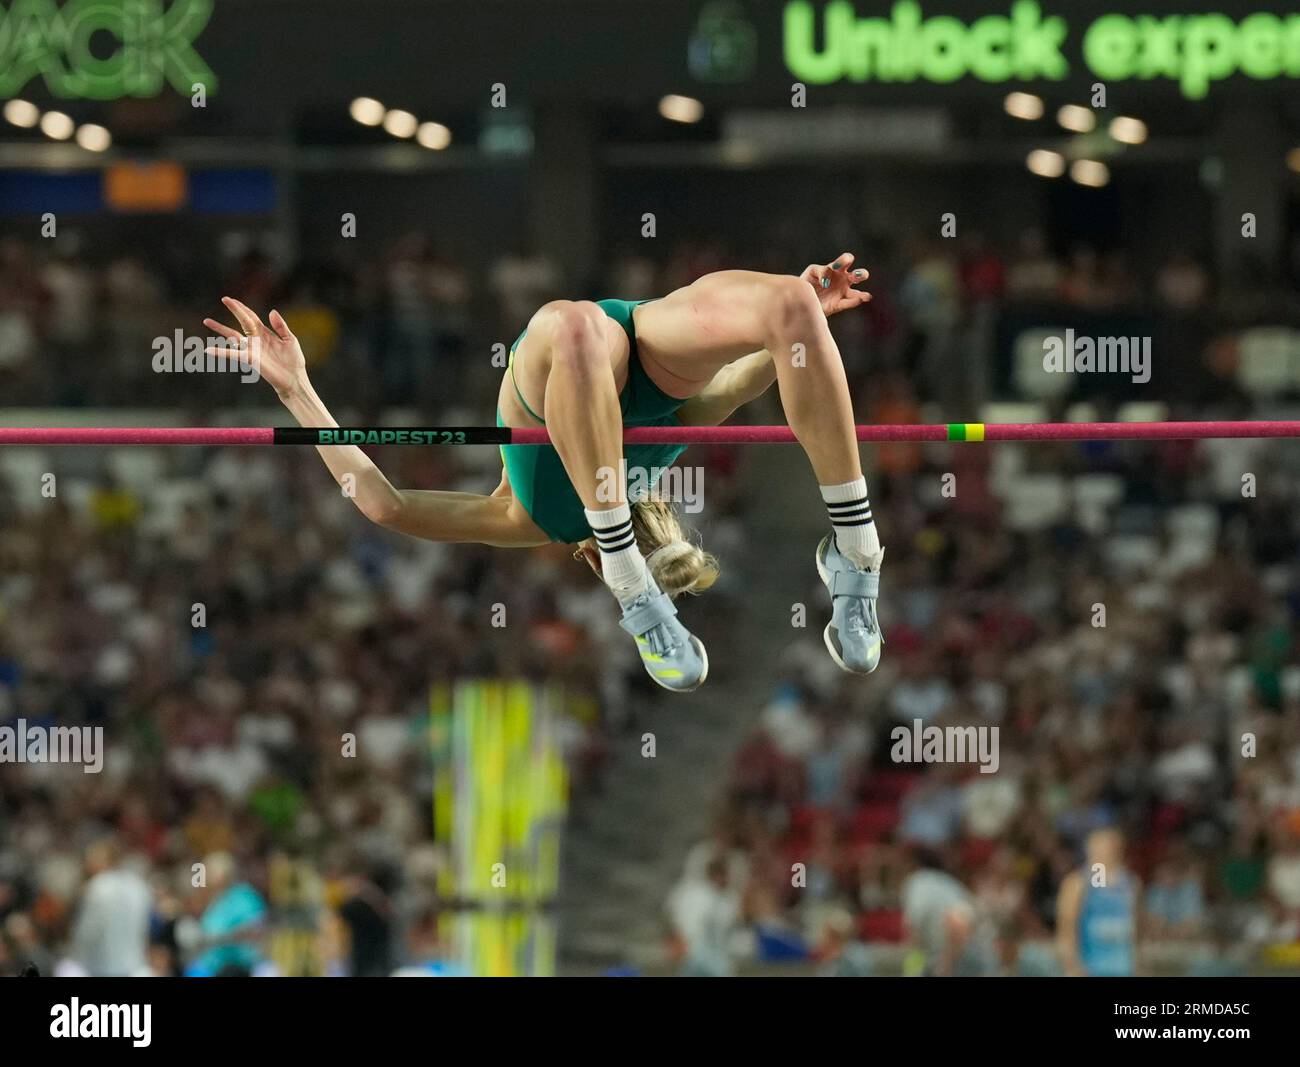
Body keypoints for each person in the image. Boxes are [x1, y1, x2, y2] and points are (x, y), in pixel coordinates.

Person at [206, 253, 883, 692]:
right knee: (790, 305)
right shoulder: (671, 440)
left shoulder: (531, 518)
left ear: (590, 558)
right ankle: (851, 550)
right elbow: (747, 373)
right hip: (643, 348)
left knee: (574, 328)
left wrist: (296, 389)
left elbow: (383, 503)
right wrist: (805, 328)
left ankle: (842, 553)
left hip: (571, 354)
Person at [1056, 827, 1140, 977]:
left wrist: (1137, 964)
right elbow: (1067, 927)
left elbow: (1136, 926)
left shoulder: (1130, 883)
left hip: (1122, 966)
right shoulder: (1079, 883)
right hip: (1091, 966)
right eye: (1099, 847)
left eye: (1110, 847)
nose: (1105, 852)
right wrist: (1072, 965)